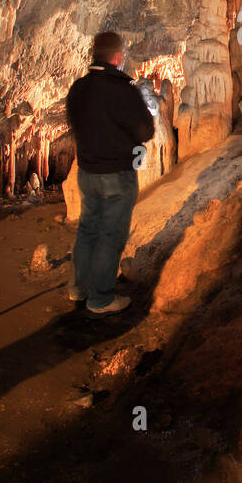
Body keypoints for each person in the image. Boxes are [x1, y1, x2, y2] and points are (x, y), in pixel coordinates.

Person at [66, 32, 154, 315]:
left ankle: (78, 289)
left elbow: (74, 124)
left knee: (87, 229)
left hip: (87, 172)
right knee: (110, 234)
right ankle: (101, 298)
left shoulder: (77, 89)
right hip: (117, 172)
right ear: (117, 57)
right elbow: (145, 130)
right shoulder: (123, 88)